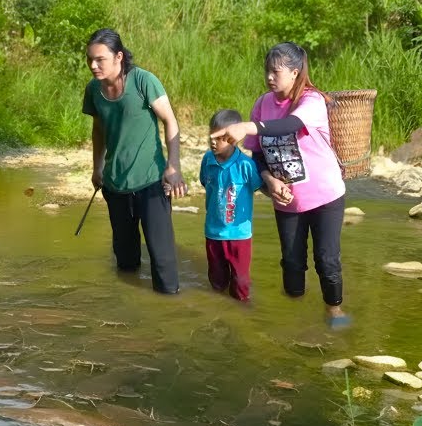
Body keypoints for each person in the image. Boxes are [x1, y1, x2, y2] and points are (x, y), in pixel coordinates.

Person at [210, 42, 351, 329]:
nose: (269, 77)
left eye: (276, 71)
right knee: (291, 261)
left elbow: (287, 125)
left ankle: (334, 311)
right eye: (267, 71)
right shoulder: (263, 104)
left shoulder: (312, 101)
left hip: (325, 196)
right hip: (287, 199)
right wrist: (269, 180)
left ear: (295, 72)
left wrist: (248, 126)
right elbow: (258, 153)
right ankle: (294, 312)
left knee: (326, 259)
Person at [82, 28, 187, 294]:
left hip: (151, 183)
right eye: (89, 60)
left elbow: (170, 120)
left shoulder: (143, 81)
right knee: (125, 261)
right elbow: (98, 130)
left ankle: (167, 314)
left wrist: (173, 166)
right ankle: (128, 308)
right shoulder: (93, 90)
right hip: (115, 185)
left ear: (118, 57)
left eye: (100, 59)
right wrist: (98, 167)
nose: (93, 65)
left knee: (163, 262)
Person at [199, 109, 259, 301]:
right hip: (213, 232)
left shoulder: (246, 165)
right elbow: (204, 182)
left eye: (221, 137)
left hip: (239, 234)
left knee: (241, 281)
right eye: (212, 136)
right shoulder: (208, 160)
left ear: (234, 138)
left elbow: (259, 186)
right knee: (216, 279)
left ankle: (241, 310)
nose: (214, 141)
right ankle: (219, 305)